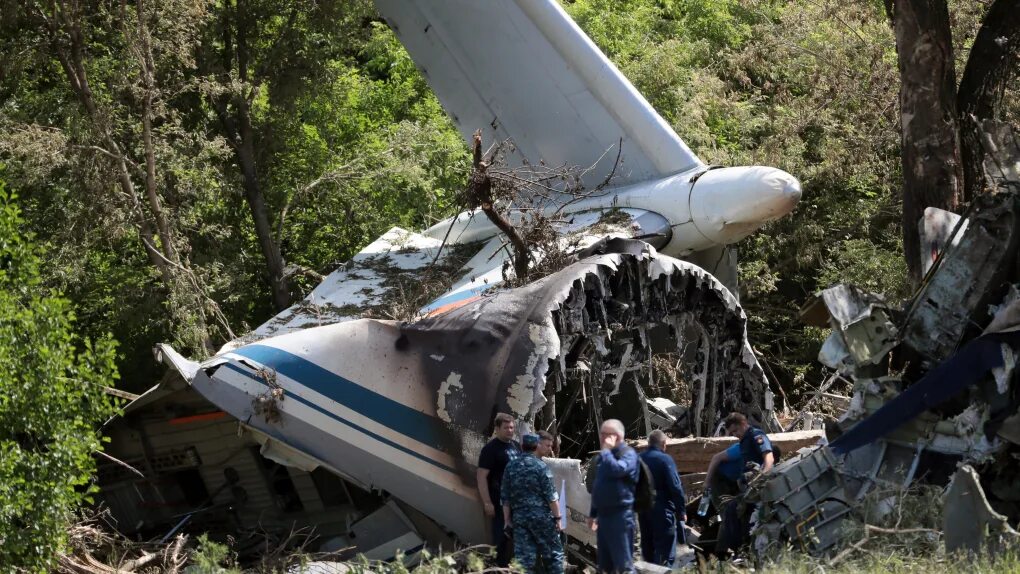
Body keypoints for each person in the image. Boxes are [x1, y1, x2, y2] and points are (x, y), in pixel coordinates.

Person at [704, 412, 774, 555]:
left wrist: (762, 477)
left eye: (735, 431)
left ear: (743, 424)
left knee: (735, 513)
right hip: (747, 486)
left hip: (756, 485)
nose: (734, 434)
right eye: (731, 433)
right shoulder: (743, 442)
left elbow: (769, 458)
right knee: (733, 512)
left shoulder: (756, 435)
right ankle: (734, 552)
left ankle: (730, 553)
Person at [502, 434, 566, 574]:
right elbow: (551, 497)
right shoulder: (541, 467)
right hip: (541, 519)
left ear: (522, 446)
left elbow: (505, 498)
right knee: (554, 555)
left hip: (520, 519)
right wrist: (558, 519)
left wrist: (507, 521)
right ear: (536, 446)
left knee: (525, 562)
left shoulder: (510, 466)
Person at [588, 419, 639, 573]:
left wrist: (606, 453)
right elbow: (598, 486)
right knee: (605, 566)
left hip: (620, 516)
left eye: (605, 434)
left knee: (624, 564)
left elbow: (618, 470)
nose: (602, 438)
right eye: (601, 434)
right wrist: (593, 513)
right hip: (603, 517)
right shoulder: (603, 457)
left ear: (617, 436)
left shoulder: (628, 454)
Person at [637, 430, 686, 567]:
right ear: (663, 443)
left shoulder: (638, 458)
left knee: (648, 549)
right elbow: (675, 487)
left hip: (643, 510)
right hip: (662, 509)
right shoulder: (665, 459)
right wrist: (681, 511)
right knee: (665, 551)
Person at [477, 413, 521, 566]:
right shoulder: (490, 449)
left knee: (520, 537)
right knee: (501, 539)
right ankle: (497, 567)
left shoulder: (516, 446)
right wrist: (487, 502)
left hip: (518, 502)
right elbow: (481, 476)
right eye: (506, 427)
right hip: (500, 502)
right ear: (497, 429)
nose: (510, 430)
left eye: (512, 427)